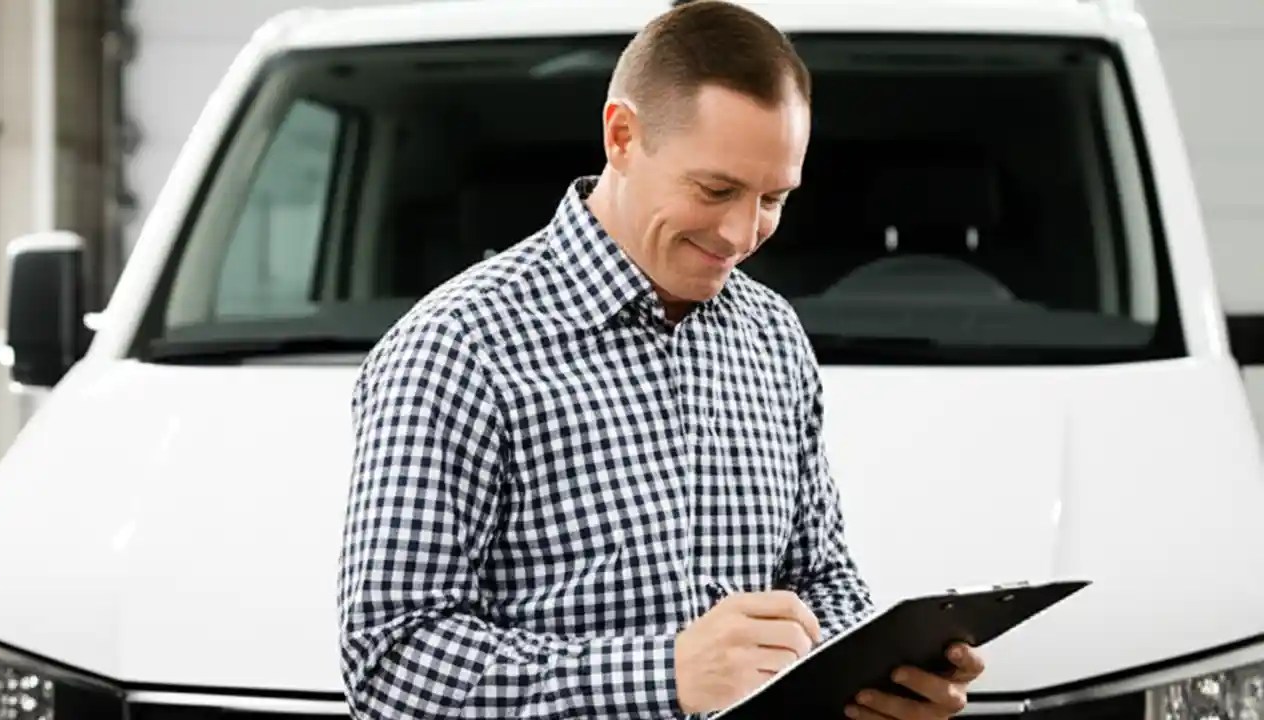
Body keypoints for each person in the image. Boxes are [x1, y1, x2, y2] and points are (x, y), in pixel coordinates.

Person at [337, 1, 985, 718]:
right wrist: (665, 674)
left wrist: (881, 677)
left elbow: (819, 578)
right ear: (621, 136)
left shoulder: (772, 335)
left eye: (774, 198)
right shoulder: (455, 350)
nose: (743, 234)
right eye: (716, 190)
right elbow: (390, 663)